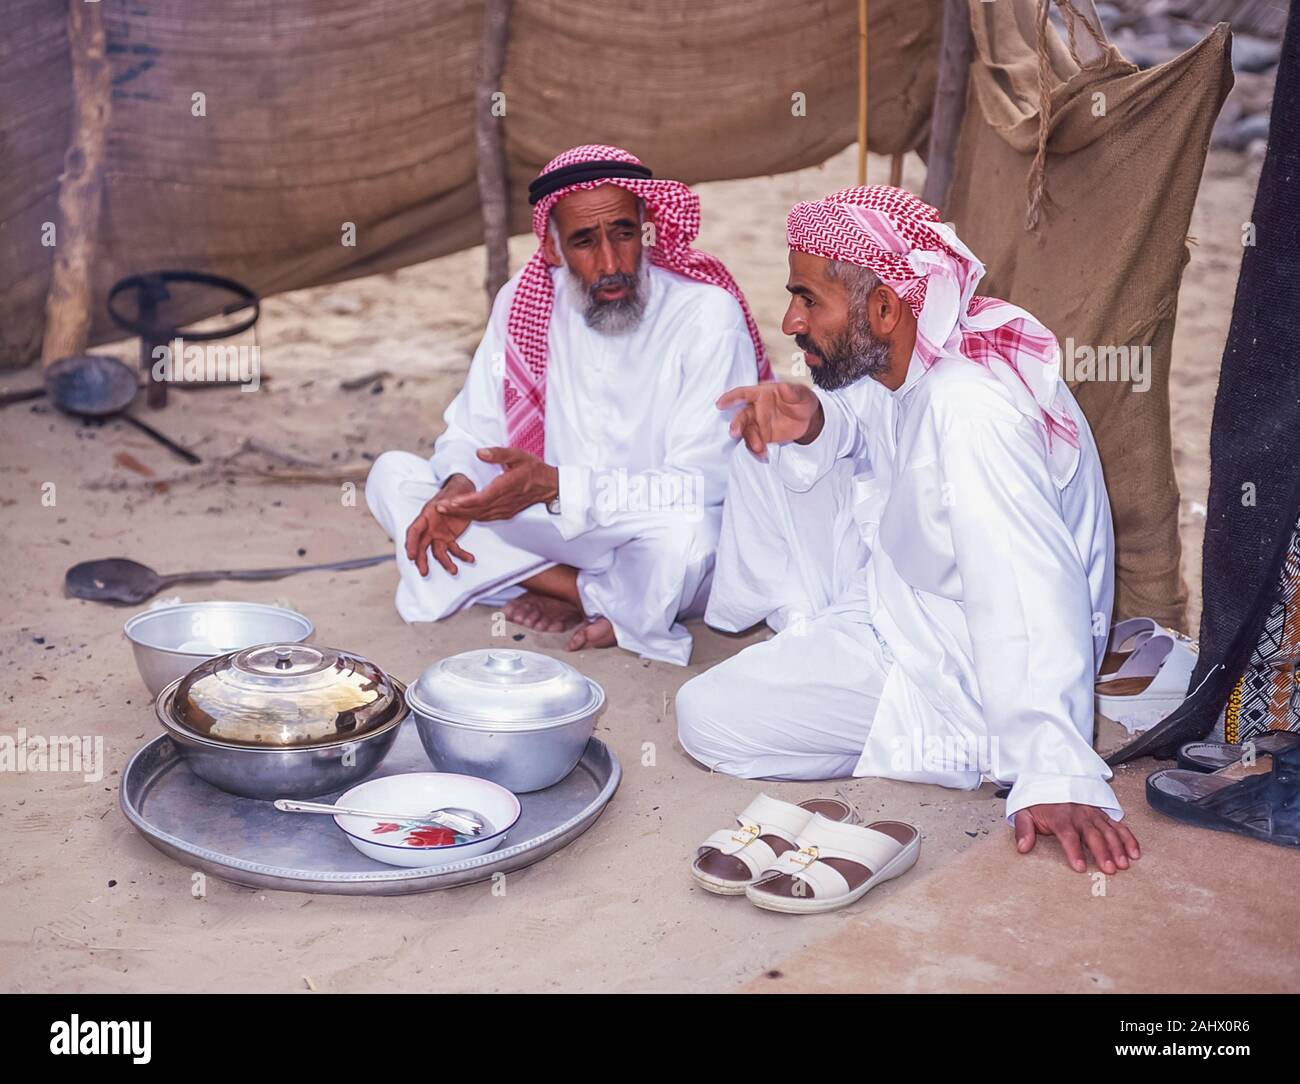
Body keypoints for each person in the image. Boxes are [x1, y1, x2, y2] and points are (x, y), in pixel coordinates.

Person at [676, 186, 1141, 875]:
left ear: (885, 307)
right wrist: (816, 419)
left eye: (809, 299)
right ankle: (833, 658)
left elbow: (1023, 584)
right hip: (896, 602)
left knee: (707, 717)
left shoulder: (971, 409)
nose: (790, 319)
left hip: (959, 666)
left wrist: (1052, 768)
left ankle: (967, 744)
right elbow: (871, 423)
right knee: (768, 441)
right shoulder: (910, 357)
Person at [365, 145, 770, 665]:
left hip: (644, 529)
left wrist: (560, 485)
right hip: (545, 522)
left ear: (647, 228)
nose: (609, 263)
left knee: (693, 542)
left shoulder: (706, 316)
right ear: (553, 249)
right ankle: (588, 596)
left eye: (624, 234)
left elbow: (701, 486)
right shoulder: (522, 303)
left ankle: (544, 586)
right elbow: (473, 433)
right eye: (583, 242)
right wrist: (461, 491)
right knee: (394, 478)